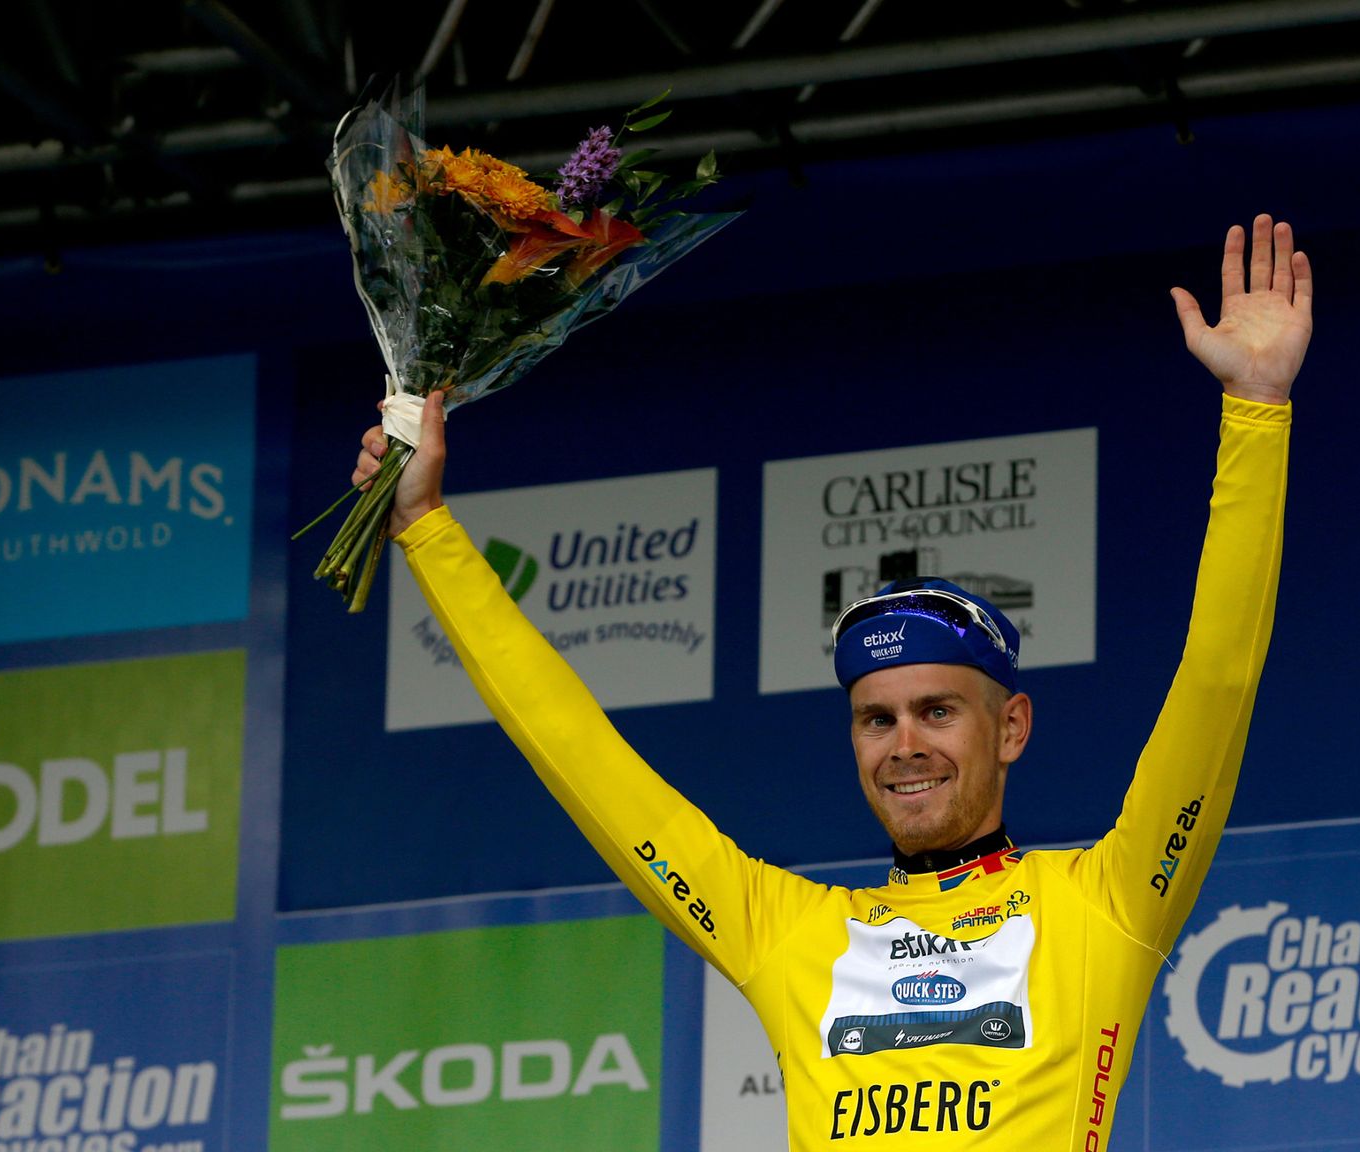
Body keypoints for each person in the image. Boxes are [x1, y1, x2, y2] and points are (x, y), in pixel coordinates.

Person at [355, 215, 1311, 1150]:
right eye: (876, 718)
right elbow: (582, 755)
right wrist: (427, 529)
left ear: (1011, 725)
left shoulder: (1106, 902)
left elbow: (1217, 680)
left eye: (938, 711)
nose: (905, 746)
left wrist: (1257, 411)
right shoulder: (791, 934)